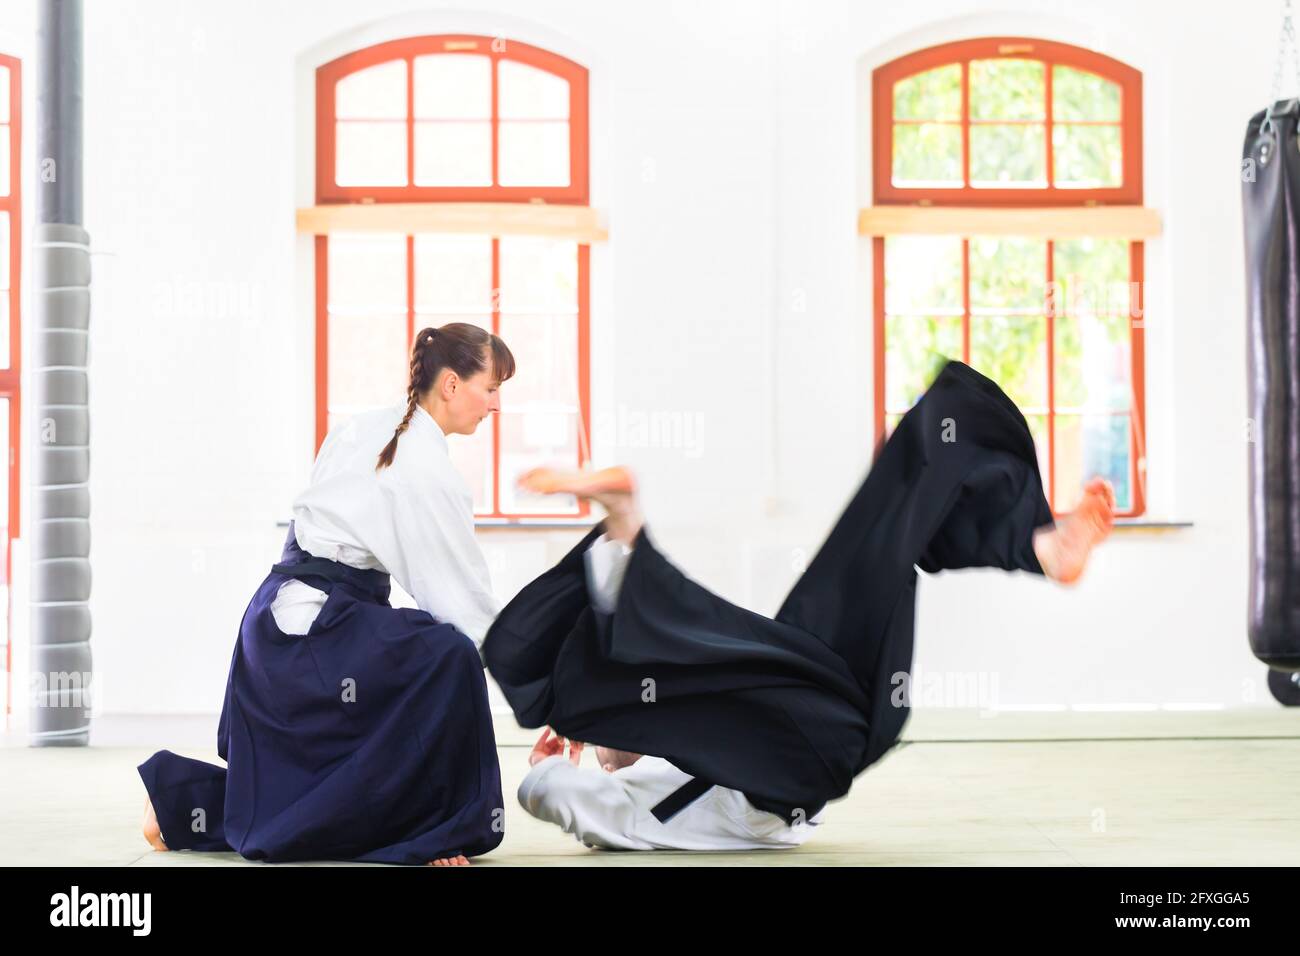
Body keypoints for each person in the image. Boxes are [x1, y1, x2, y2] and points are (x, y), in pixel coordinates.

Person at [486, 357, 1116, 849]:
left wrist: (550, 770)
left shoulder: (639, 806)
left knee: (883, 540)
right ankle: (625, 528)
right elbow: (573, 778)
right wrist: (550, 767)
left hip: (814, 723)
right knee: (875, 549)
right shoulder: (632, 807)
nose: (607, 750)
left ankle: (1037, 543)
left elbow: (563, 786)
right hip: (802, 748)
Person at [138, 323, 514, 866]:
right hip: (316, 632)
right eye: (492, 388)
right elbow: (463, 608)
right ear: (452, 386)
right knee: (448, 658)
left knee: (382, 710)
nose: (496, 405)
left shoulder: (361, 428)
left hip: (274, 629)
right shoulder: (425, 468)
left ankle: (180, 805)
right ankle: (434, 831)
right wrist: (545, 697)